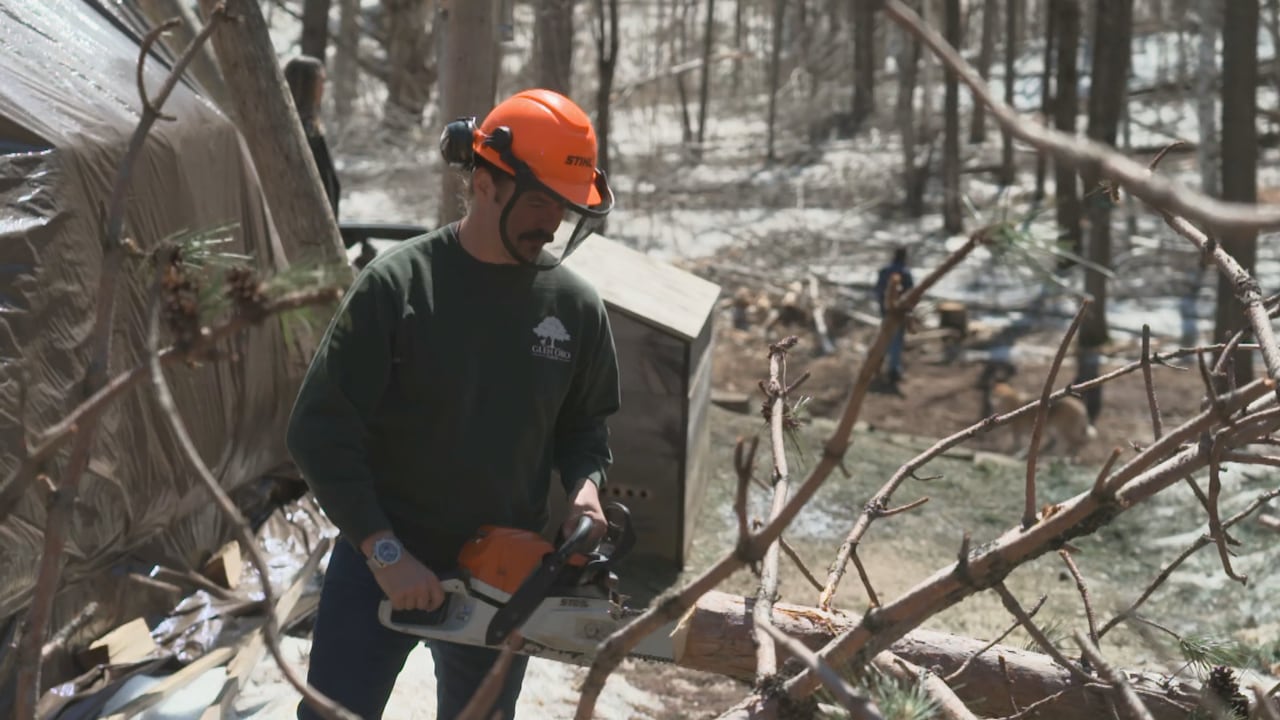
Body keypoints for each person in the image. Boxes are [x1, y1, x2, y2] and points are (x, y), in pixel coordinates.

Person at [286, 88, 621, 720]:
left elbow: (585, 426)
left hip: (504, 572)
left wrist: (586, 487)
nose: (552, 222)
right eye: (542, 199)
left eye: (565, 206)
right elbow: (318, 432)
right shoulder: (400, 285)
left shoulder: (574, 307)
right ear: (490, 180)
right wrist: (385, 552)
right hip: (381, 555)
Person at [284, 55, 342, 220]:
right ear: (307, 85)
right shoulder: (301, 130)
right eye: (320, 81)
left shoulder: (310, 127)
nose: (323, 88)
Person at [874, 246, 915, 386]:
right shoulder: (905, 273)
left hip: (885, 311)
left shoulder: (884, 271)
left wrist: (882, 307)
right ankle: (893, 370)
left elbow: (878, 291)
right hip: (898, 314)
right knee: (896, 341)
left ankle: (877, 367)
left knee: (884, 339)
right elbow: (911, 295)